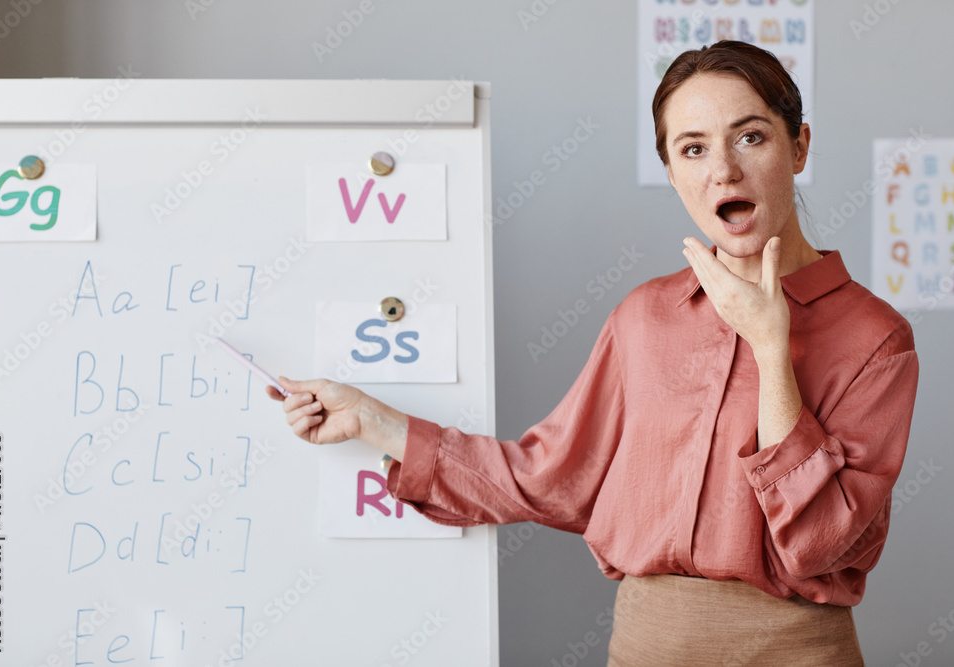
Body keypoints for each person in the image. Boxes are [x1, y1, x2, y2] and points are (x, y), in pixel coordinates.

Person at [268, 41, 919, 666]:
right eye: (692, 149)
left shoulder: (875, 337)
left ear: (798, 145)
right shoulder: (643, 317)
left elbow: (815, 543)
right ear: (672, 172)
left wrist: (772, 348)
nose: (722, 169)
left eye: (750, 136)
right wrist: (370, 418)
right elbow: (545, 475)